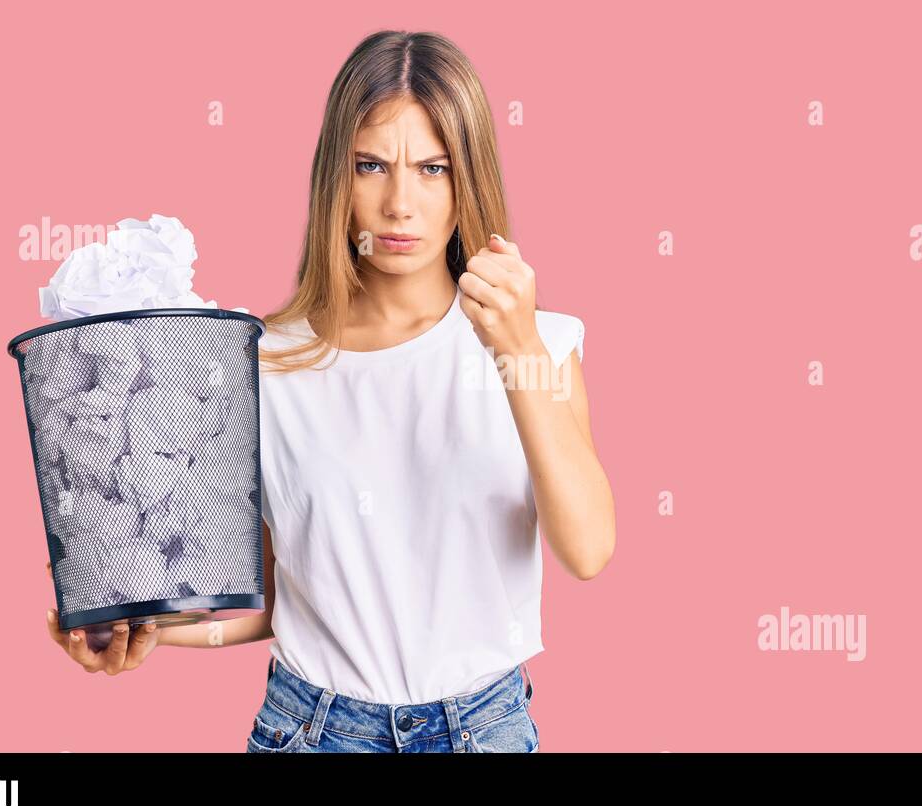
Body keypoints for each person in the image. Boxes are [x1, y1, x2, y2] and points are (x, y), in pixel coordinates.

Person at [45, 29, 615, 753]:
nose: (400, 203)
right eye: (371, 165)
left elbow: (589, 548)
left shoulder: (543, 346)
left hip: (485, 731)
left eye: (433, 168)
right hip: (315, 731)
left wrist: (517, 346)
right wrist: (133, 621)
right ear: (334, 179)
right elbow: (272, 599)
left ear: (468, 176)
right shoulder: (263, 363)